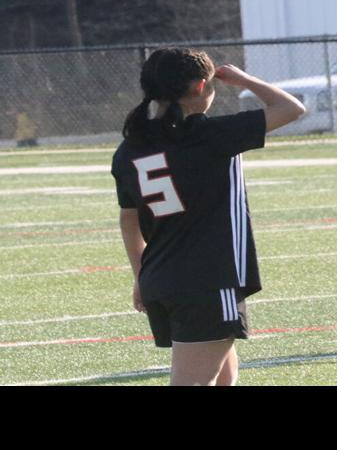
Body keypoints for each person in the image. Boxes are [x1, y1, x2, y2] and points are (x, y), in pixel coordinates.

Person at [112, 48, 306, 385]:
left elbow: (129, 221)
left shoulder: (130, 148)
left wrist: (140, 274)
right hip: (206, 281)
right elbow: (292, 108)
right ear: (202, 87)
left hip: (160, 276)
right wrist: (243, 79)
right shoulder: (210, 135)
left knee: (223, 376)